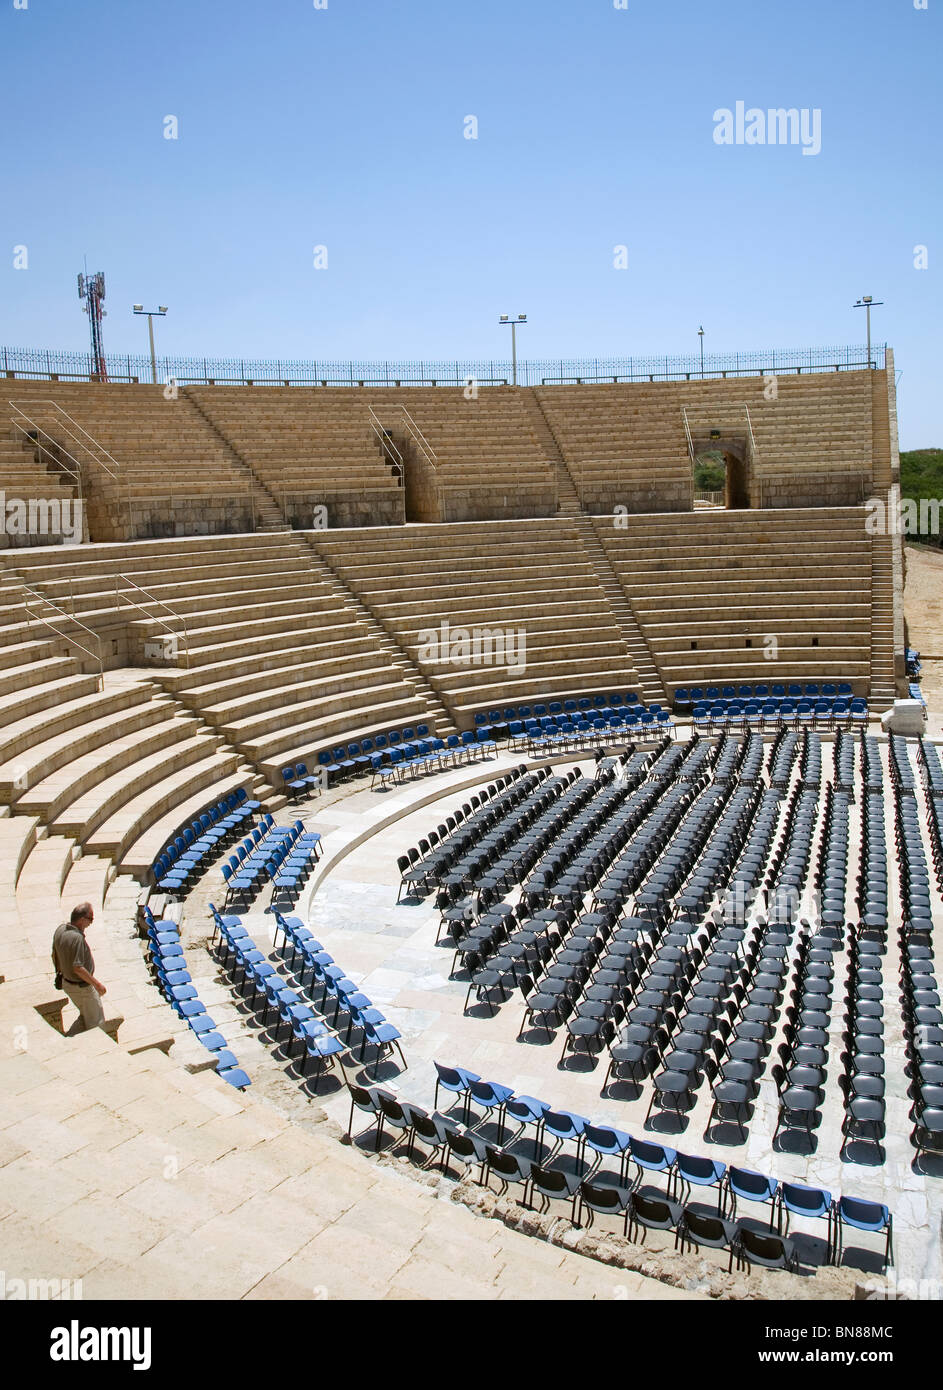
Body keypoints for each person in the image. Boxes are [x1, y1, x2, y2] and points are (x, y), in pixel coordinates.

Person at [52, 903, 108, 1035]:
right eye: (91, 919)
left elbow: (54, 955)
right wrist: (98, 985)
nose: (91, 923)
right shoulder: (77, 938)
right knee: (97, 1025)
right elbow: (78, 968)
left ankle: (69, 1038)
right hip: (82, 988)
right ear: (82, 919)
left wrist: (60, 972)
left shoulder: (60, 930)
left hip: (68, 983)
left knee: (85, 1016)